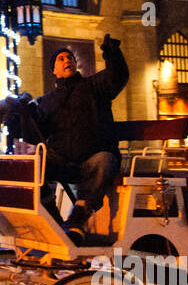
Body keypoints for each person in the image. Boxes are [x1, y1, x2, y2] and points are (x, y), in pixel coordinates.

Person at [21, 34, 129, 242]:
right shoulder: (47, 101)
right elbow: (35, 135)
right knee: (35, 163)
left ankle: (78, 217)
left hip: (93, 157)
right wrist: (23, 113)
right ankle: (51, 215)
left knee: (105, 160)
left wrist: (112, 54)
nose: (66, 60)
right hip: (64, 162)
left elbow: (118, 76)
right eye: (61, 59)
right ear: (54, 70)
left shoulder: (94, 86)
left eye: (69, 57)